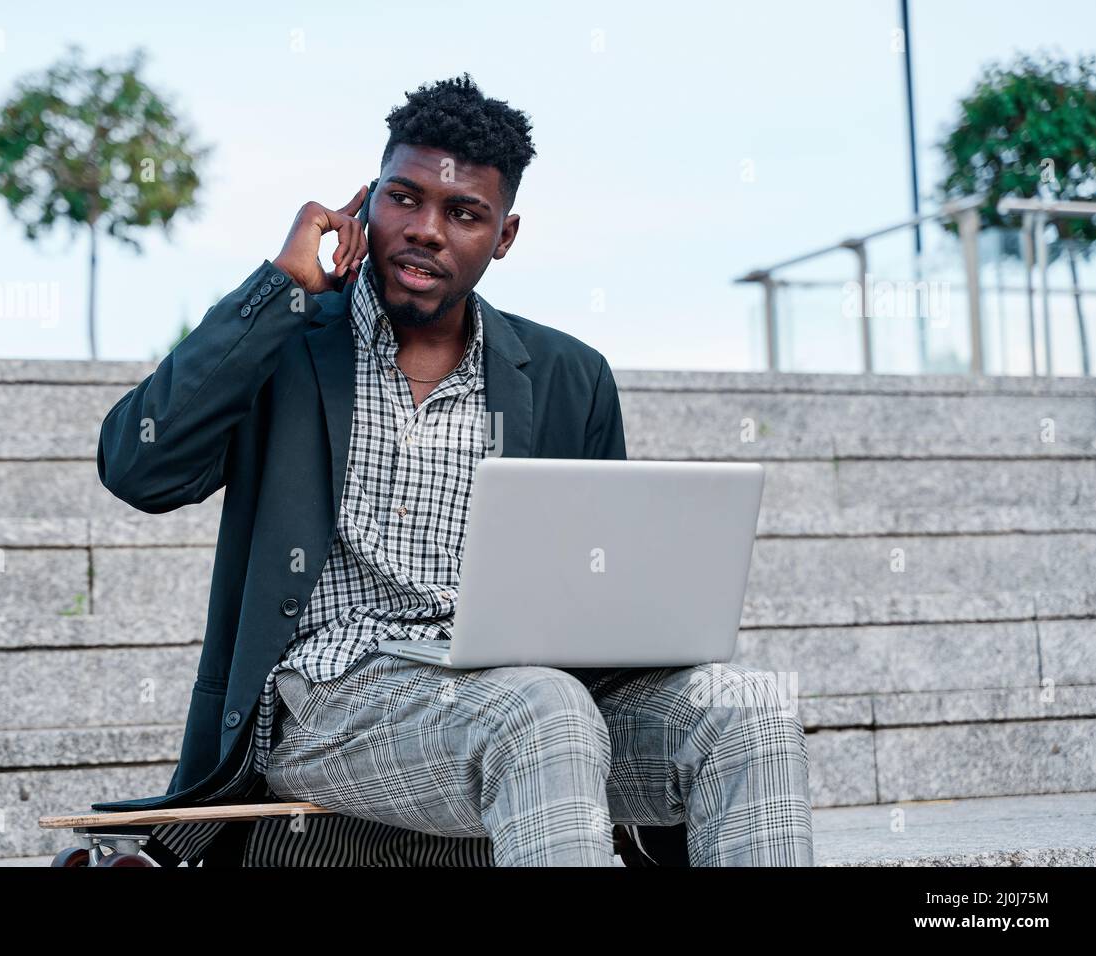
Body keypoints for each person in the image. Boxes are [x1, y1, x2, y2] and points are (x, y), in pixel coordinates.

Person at [94, 73, 814, 867]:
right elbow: (138, 467)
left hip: (526, 698)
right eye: (404, 199)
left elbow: (602, 596)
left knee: (750, 705)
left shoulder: (568, 375)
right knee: (538, 707)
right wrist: (277, 291)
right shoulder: (288, 345)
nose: (426, 230)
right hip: (332, 699)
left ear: (503, 235)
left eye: (463, 213)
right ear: (367, 200)